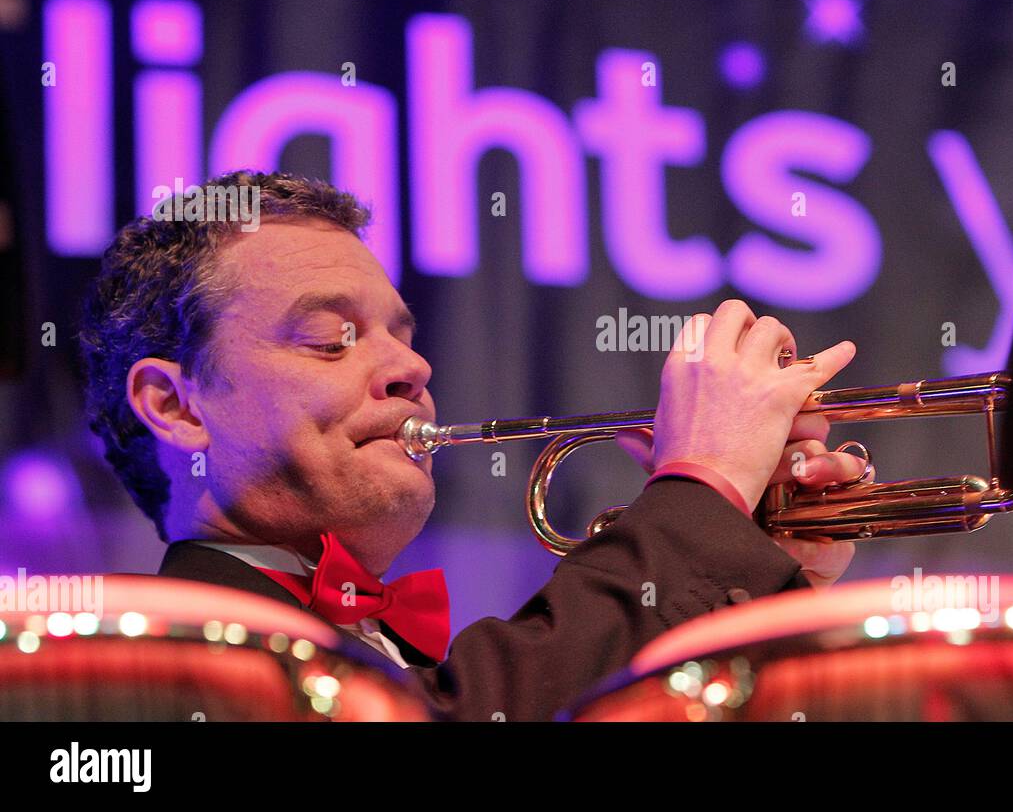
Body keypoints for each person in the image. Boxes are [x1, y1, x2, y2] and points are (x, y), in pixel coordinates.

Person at [78, 170, 865, 720]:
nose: (412, 367)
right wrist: (703, 488)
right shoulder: (169, 674)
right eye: (330, 339)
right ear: (174, 404)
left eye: (402, 335)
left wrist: (753, 579)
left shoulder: (394, 651)